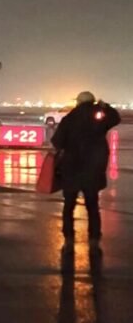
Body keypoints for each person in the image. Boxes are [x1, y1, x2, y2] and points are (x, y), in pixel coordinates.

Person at [51, 91, 120, 252]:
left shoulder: (69, 119)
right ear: (93, 102)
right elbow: (116, 118)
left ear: (78, 102)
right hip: (92, 170)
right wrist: (105, 106)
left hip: (71, 170)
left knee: (68, 206)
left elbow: (57, 141)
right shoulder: (99, 118)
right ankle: (94, 239)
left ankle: (69, 238)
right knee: (92, 207)